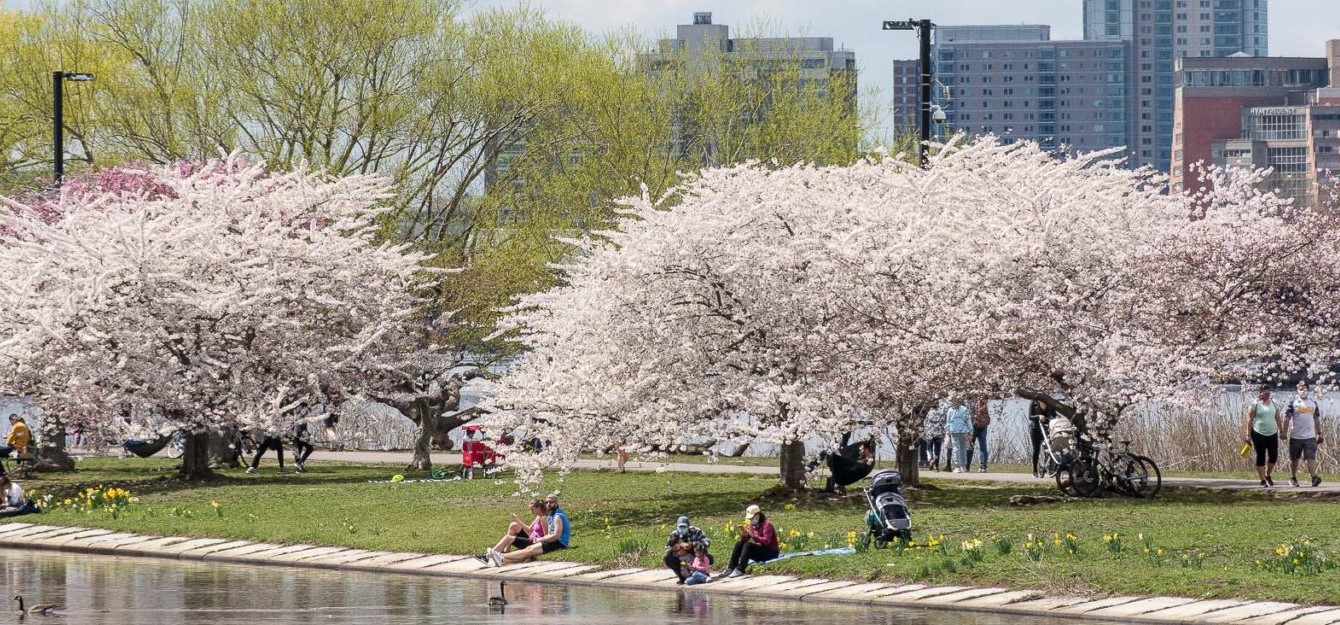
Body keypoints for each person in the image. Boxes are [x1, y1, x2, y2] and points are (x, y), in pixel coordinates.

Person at [493, 493, 569, 566]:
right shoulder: (551, 516)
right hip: (549, 541)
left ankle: (499, 556)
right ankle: (499, 557)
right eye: (547, 502)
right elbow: (547, 533)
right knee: (528, 549)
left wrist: (541, 539)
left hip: (558, 543)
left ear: (556, 503)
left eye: (551, 502)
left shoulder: (557, 517)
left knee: (528, 550)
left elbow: (556, 535)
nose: (548, 504)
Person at [481, 499, 547, 564]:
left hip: (534, 543)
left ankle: (487, 557)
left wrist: (538, 538)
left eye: (532, 509)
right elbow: (529, 529)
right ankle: (505, 551)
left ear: (538, 508)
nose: (531, 511)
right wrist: (517, 520)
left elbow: (546, 536)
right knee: (514, 525)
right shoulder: (539, 516)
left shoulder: (543, 518)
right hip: (530, 539)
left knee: (508, 538)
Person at [720, 504, 778, 578]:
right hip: (760, 551)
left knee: (748, 545)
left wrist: (753, 536)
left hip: (771, 552)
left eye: (752, 518)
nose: (751, 520)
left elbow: (766, 541)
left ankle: (740, 569)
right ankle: (731, 568)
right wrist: (744, 536)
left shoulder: (767, 525)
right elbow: (745, 540)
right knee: (739, 543)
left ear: (758, 515)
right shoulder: (751, 525)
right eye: (750, 519)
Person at [1283, 383, 1324, 488]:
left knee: (1311, 457)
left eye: (1305, 389)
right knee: (1295, 459)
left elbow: (1316, 419)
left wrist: (1319, 433)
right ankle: (1293, 477)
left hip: (1310, 436)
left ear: (1308, 390)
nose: (1303, 391)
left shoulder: (1313, 403)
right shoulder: (1293, 403)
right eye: (1301, 389)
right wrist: (1284, 431)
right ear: (1297, 390)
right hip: (1296, 436)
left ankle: (1314, 477)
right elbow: (1287, 418)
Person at [1244, 384, 1284, 488]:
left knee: (1273, 456)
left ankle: (1267, 474)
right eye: (1264, 391)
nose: (1266, 393)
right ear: (1260, 392)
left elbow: (1278, 418)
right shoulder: (1255, 404)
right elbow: (1249, 420)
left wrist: (1281, 430)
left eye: (1268, 391)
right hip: (1258, 433)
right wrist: (1248, 435)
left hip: (1272, 433)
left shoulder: (1274, 404)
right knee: (1261, 455)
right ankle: (1262, 479)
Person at [663, 515, 711, 584]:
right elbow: (666, 549)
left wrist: (693, 544)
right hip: (681, 558)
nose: (682, 528)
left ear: (688, 526)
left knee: (704, 556)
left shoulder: (696, 531)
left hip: (695, 555)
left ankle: (701, 574)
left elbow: (707, 542)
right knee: (669, 559)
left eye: (684, 527)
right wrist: (676, 547)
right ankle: (683, 577)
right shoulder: (674, 534)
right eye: (680, 527)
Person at [1028, 398, 1055, 478]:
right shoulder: (1034, 402)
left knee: (1048, 449)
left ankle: (1049, 468)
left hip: (1046, 429)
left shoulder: (1049, 403)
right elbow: (1030, 416)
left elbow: (1054, 415)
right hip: (1035, 429)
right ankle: (1035, 470)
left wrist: (1055, 418)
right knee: (1036, 450)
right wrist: (1038, 416)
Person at [964, 397, 991, 473]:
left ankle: (967, 466)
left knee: (970, 446)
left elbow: (968, 416)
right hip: (983, 426)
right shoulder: (985, 404)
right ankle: (983, 466)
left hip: (973, 426)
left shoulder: (972, 403)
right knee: (983, 446)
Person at [944, 402, 972, 473]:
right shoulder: (964, 409)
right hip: (963, 430)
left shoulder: (950, 410)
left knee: (956, 448)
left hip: (954, 431)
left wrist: (948, 432)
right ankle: (963, 466)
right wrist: (970, 431)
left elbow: (948, 422)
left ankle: (957, 466)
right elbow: (968, 420)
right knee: (963, 448)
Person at [291, 403, 315, 473]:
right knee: (307, 449)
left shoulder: (299, 408)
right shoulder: (300, 408)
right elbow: (298, 421)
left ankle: (299, 467)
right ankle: (299, 465)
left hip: (300, 433)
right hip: (299, 433)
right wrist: (300, 433)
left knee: (299, 451)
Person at [922, 404, 946, 471]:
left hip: (930, 434)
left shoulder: (929, 413)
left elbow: (925, 423)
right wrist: (943, 435)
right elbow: (943, 424)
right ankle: (936, 464)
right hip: (938, 434)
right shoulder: (940, 414)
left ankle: (930, 459)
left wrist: (925, 432)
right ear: (937, 406)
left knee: (929, 448)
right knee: (937, 449)